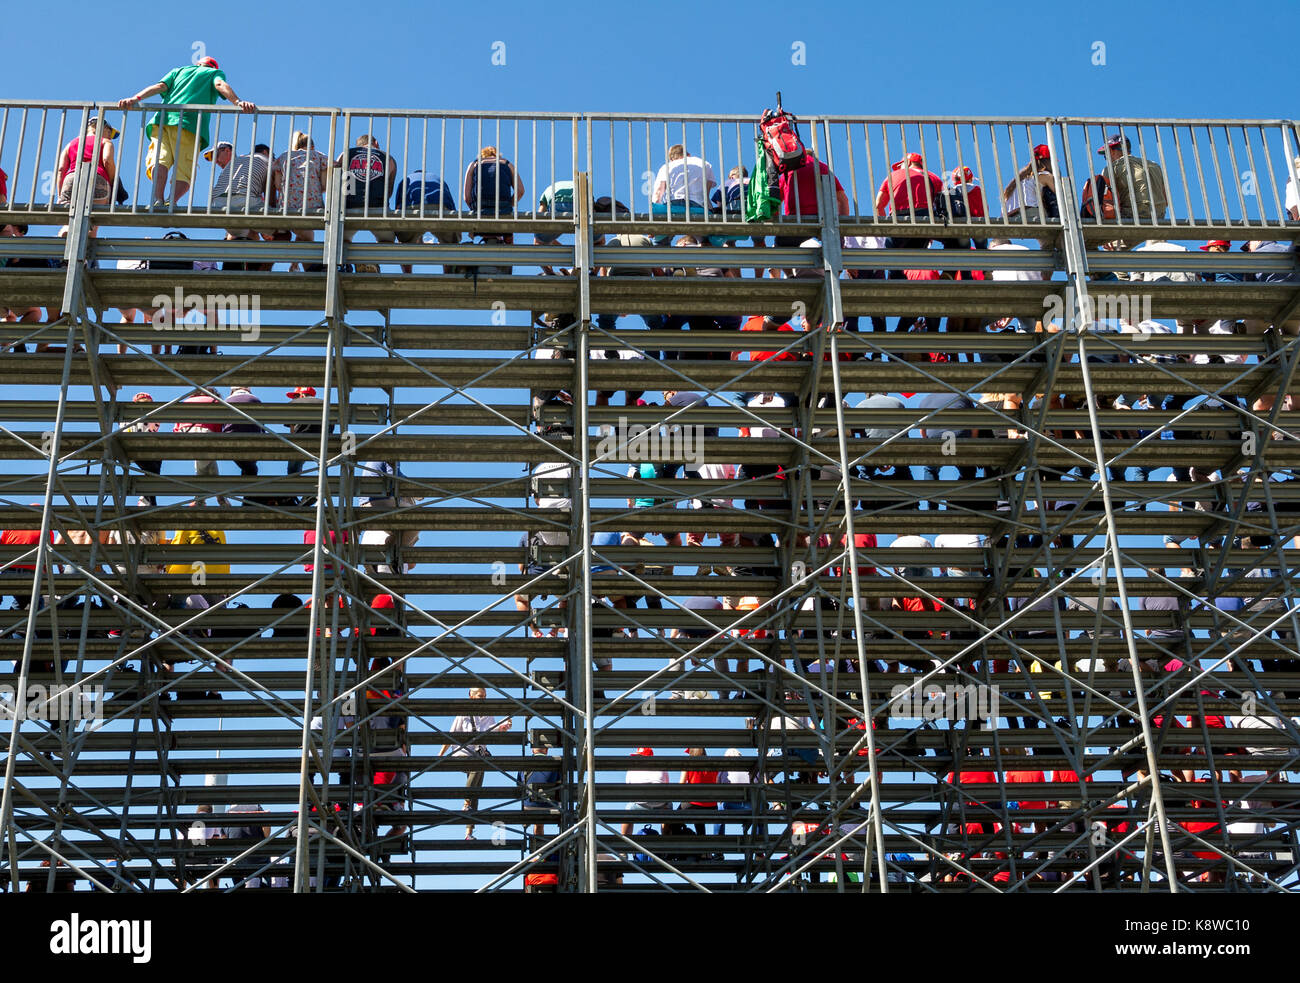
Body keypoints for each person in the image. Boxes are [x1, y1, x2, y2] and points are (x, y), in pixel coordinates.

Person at [118, 56, 256, 207]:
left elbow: (159, 87)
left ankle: (157, 199)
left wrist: (134, 98)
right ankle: (171, 202)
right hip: (189, 124)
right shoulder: (213, 73)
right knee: (184, 167)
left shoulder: (178, 71)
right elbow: (219, 84)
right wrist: (238, 102)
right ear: (213, 67)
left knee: (159, 159)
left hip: (162, 120)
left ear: (197, 64)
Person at [440, 688, 512, 840]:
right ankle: (466, 803)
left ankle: (468, 833)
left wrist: (503, 728)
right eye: (480, 696)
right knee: (478, 766)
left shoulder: (488, 715)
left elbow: (492, 733)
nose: (483, 699)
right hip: (462, 754)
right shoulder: (464, 713)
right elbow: (451, 734)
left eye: (485, 696)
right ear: (471, 696)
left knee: (477, 789)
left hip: (478, 756)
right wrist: (440, 755)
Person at [1096, 133, 1169, 251]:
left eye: (1105, 155)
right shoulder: (1154, 165)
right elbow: (1166, 200)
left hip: (1134, 217)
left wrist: (1107, 234)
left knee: (1110, 250)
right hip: (1159, 218)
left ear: (1111, 151)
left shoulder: (1112, 168)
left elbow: (1107, 204)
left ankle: (1115, 269)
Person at [271, 132, 330, 269]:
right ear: (312, 146)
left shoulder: (284, 157)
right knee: (308, 235)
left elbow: (278, 185)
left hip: (287, 206)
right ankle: (312, 270)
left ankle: (295, 265)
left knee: (304, 233)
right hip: (312, 206)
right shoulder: (319, 156)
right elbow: (325, 184)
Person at [55, 116, 116, 235]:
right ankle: (90, 238)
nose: (110, 137)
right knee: (93, 220)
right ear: (101, 128)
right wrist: (111, 181)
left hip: (71, 178)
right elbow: (107, 160)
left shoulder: (71, 144)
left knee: (69, 218)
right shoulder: (105, 142)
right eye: (109, 132)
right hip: (98, 178)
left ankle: (66, 230)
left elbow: (61, 169)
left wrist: (59, 195)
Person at [207, 141, 270, 241]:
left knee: (243, 229)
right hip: (244, 202)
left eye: (216, 155)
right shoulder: (259, 163)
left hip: (217, 207)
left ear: (227, 151)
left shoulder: (236, 164)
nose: (215, 161)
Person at [623, 747, 668, 836]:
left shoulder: (632, 769)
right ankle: (666, 838)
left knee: (628, 809)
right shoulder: (662, 767)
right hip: (660, 805)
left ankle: (624, 843)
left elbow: (628, 788)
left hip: (640, 805)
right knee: (668, 806)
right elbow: (666, 787)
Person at [223, 385, 262, 482]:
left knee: (250, 468)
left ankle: (247, 493)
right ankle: (248, 494)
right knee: (251, 467)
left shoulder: (227, 401)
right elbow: (262, 422)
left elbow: (223, 423)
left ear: (232, 391)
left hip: (231, 438)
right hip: (254, 438)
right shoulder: (255, 399)